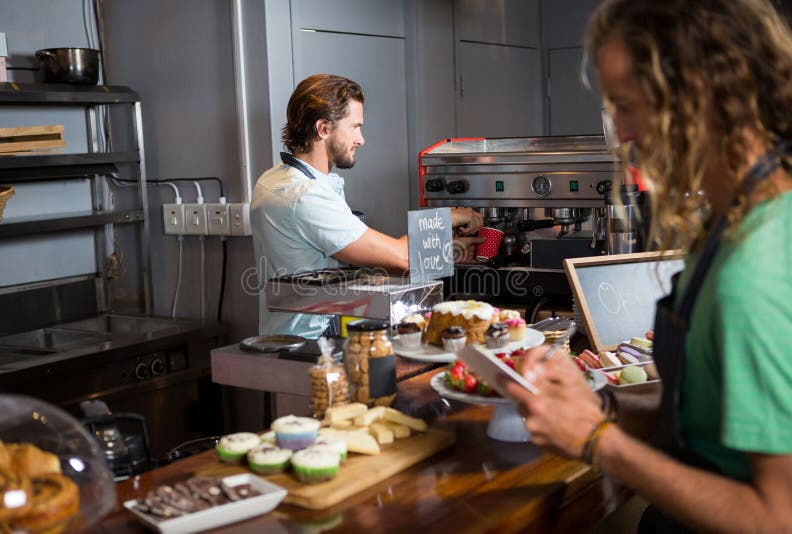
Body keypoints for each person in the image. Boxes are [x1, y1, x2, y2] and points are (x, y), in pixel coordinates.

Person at [502, 0, 792, 531]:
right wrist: (602, 406)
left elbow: (777, 516)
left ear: (699, 95)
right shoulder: (741, 220)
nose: (623, 134)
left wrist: (596, 442)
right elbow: (705, 418)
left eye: (628, 106)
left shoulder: (755, 272)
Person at [250, 74, 484, 337]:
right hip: (314, 341)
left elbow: (348, 258)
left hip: (289, 330)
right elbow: (402, 258)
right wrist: (452, 216)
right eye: (355, 127)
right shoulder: (304, 195)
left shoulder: (275, 179)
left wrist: (450, 246)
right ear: (323, 129)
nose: (361, 139)